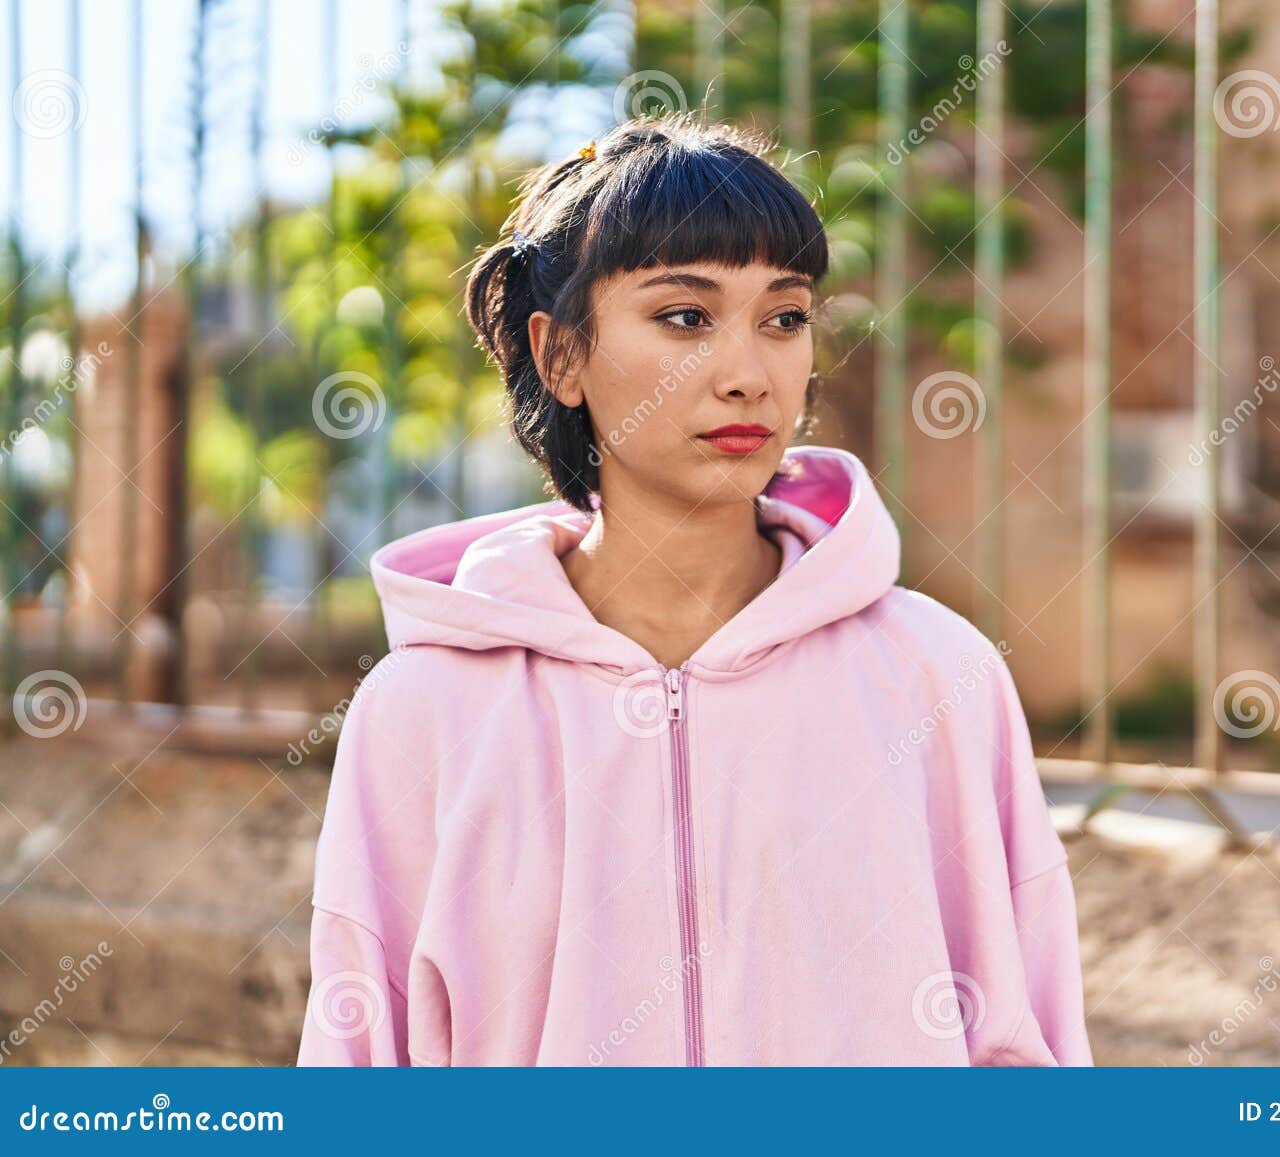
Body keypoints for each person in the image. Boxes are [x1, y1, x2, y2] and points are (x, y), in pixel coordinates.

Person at [296, 112, 1092, 1066]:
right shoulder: (423, 711)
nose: (750, 374)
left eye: (784, 317)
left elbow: (1023, 1042)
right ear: (562, 357)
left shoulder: (937, 673)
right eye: (685, 317)